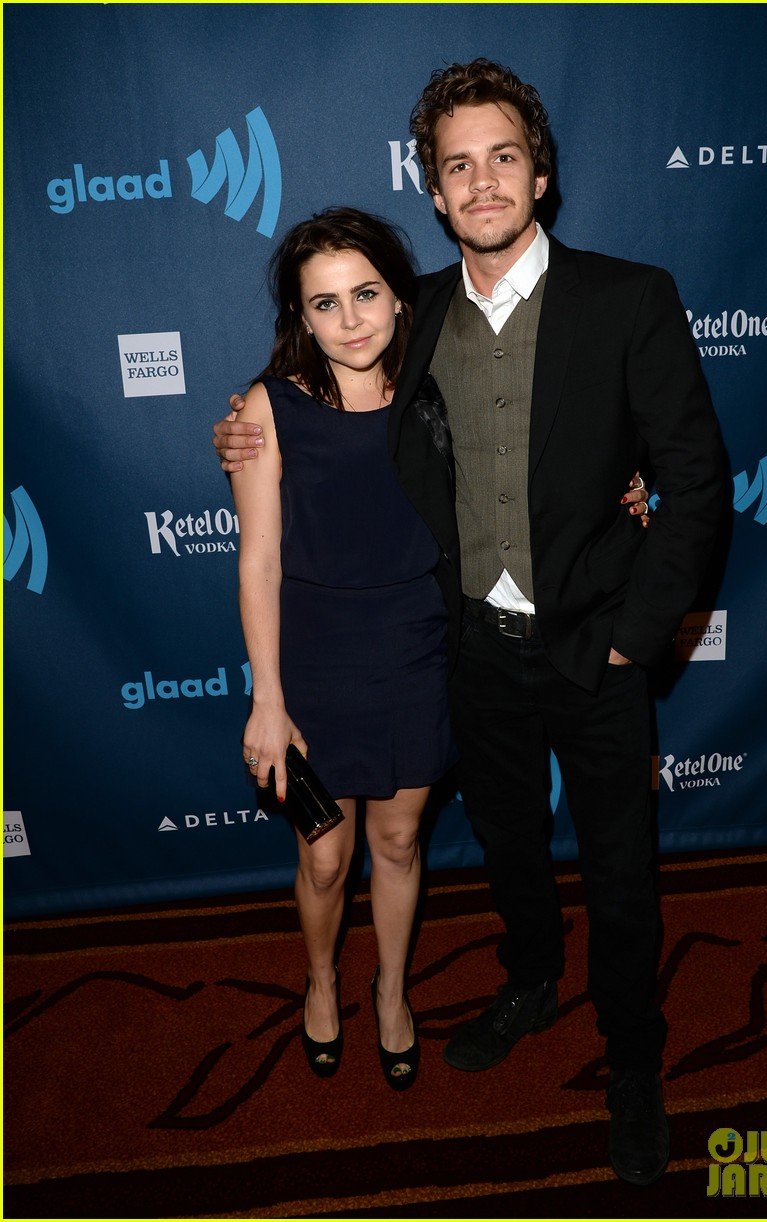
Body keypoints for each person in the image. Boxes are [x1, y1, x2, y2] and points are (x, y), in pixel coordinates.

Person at [214, 59, 724, 1185]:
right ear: (433, 194)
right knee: (504, 846)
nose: (481, 181)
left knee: (621, 867)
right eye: (457, 166)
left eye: (503, 157)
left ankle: (633, 1060)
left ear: (539, 173)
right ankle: (531, 981)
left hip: (596, 649)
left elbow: (695, 479)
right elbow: (318, 403)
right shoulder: (414, 316)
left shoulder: (629, 295)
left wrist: (639, 633)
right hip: (465, 654)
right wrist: (238, 431)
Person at [231, 208, 459, 1091]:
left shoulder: (440, 386)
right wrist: (267, 696)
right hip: (314, 654)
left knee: (398, 843)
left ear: (401, 298)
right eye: (323, 304)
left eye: (365, 294)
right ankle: (322, 978)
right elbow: (256, 562)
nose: (350, 318)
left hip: (416, 642)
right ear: (300, 315)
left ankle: (392, 991)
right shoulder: (267, 408)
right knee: (324, 855)